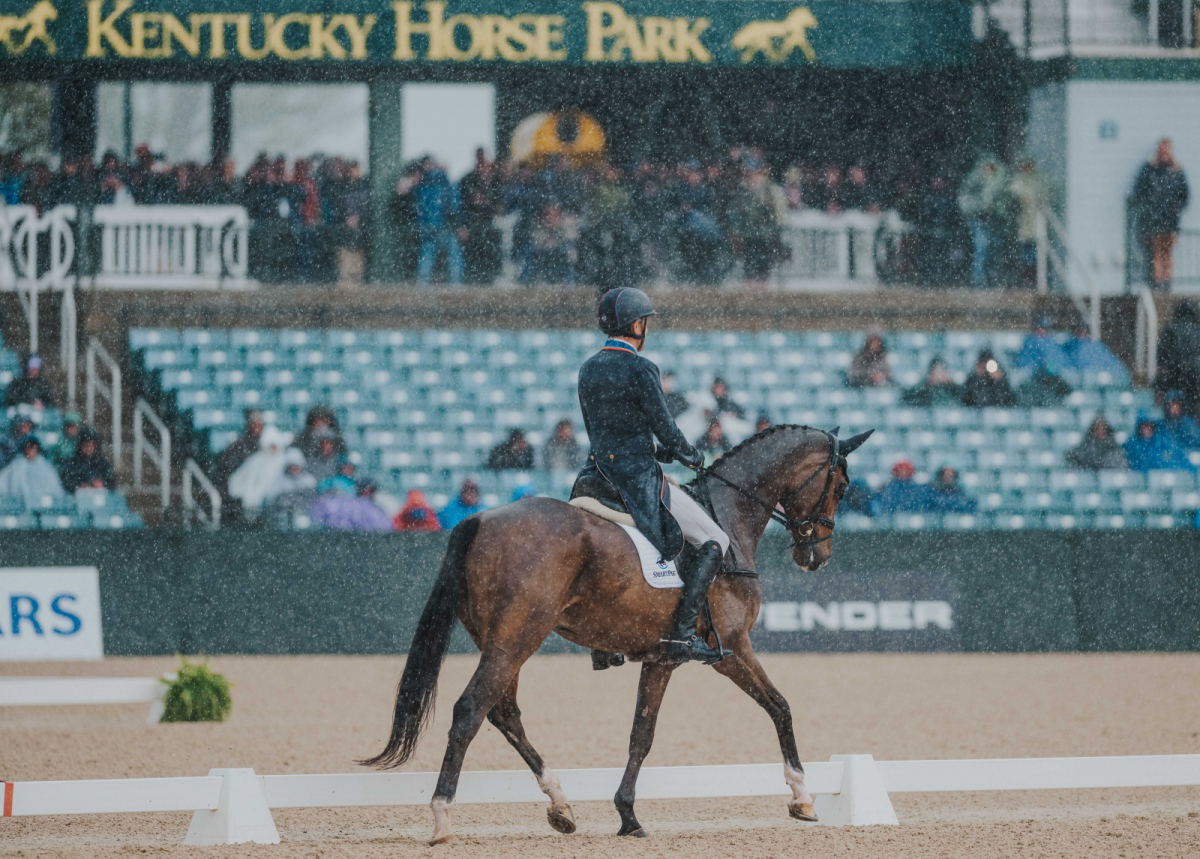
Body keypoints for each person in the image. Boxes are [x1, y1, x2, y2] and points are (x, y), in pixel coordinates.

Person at [575, 287, 730, 665]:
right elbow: (665, 428)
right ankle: (682, 636)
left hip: (595, 474)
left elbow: (608, 431)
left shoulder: (588, 367)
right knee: (715, 539)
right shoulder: (642, 368)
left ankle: (601, 644)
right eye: (645, 322)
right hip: (635, 480)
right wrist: (691, 455)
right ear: (637, 324)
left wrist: (653, 450)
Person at [1132, 139, 1190, 291]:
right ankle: (1158, 283)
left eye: (1166, 150)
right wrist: (1150, 209)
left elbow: (1185, 195)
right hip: (1154, 220)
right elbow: (1140, 192)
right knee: (1157, 251)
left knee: (1167, 252)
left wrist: (1175, 208)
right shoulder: (1149, 170)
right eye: (1162, 150)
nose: (1164, 154)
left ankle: (1166, 282)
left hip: (1170, 220)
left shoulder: (1176, 171)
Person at [958, 154, 1011, 288]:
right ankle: (979, 281)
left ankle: (989, 278)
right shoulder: (976, 179)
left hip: (993, 219)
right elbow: (965, 199)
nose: (989, 169)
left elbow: (1002, 198)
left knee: (992, 249)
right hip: (979, 218)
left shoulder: (998, 180)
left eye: (991, 166)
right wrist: (980, 207)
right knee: (982, 248)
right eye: (987, 166)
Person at [414, 159, 464, 286]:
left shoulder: (422, 185)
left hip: (426, 226)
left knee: (427, 253)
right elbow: (453, 206)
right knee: (454, 254)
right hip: (444, 226)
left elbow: (417, 207)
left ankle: (422, 283)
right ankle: (455, 284)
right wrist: (458, 225)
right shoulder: (445, 184)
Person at [228, 426, 289, 519]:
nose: (273, 449)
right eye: (271, 446)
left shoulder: (285, 460)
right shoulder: (257, 460)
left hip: (276, 500)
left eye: (275, 445)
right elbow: (248, 481)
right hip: (258, 502)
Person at [1008, 157, 1048, 287]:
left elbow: (1044, 196)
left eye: (1029, 166)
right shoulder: (1019, 181)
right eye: (1025, 166)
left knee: (1035, 254)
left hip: (1035, 223)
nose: (1027, 169)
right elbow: (1011, 194)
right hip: (1023, 223)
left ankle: (1034, 280)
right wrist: (1019, 199)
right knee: (1024, 253)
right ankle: (1026, 280)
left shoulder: (1037, 181)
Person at [1155, 300, 1200, 415]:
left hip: (1174, 373)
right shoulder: (1196, 330)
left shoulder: (1170, 328)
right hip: (1194, 375)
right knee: (1192, 405)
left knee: (1172, 403)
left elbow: (1162, 353)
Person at [0, 435, 64, 507]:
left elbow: (55, 488)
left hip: (43, 504)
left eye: (34, 448)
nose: (31, 451)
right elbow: (7, 484)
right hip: (21, 505)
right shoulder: (16, 465)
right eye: (29, 448)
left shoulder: (45, 466)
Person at [310, 477, 393, 531]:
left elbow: (385, 527)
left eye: (371, 490)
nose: (368, 493)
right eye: (366, 489)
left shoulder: (377, 509)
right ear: (360, 489)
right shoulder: (347, 505)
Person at [1123, 413, 1195, 472]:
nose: (1148, 429)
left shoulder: (1160, 440)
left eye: (1150, 426)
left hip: (1163, 477)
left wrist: (1190, 470)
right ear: (1139, 428)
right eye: (1145, 426)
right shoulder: (1133, 443)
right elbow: (1141, 464)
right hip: (1145, 482)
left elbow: (1178, 454)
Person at [214, 409, 264, 494]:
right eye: (254, 424)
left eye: (259, 424)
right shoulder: (239, 444)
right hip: (240, 488)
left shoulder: (266, 442)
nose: (256, 427)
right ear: (249, 424)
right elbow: (228, 468)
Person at [1065, 324, 1130, 386]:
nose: (1083, 334)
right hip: (1104, 376)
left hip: (1094, 376)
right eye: (1081, 332)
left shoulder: (1093, 346)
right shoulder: (1077, 346)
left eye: (1084, 332)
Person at [59, 427, 117, 492]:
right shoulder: (72, 463)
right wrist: (80, 486)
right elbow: (66, 482)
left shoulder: (102, 464)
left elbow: (111, 482)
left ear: (95, 446)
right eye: (85, 445)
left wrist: (102, 484)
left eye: (91, 445)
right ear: (80, 445)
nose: (88, 448)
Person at [870, 460, 939, 515]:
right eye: (900, 470)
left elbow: (924, 505)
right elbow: (881, 505)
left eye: (906, 470)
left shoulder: (918, 488)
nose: (903, 473)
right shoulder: (887, 488)